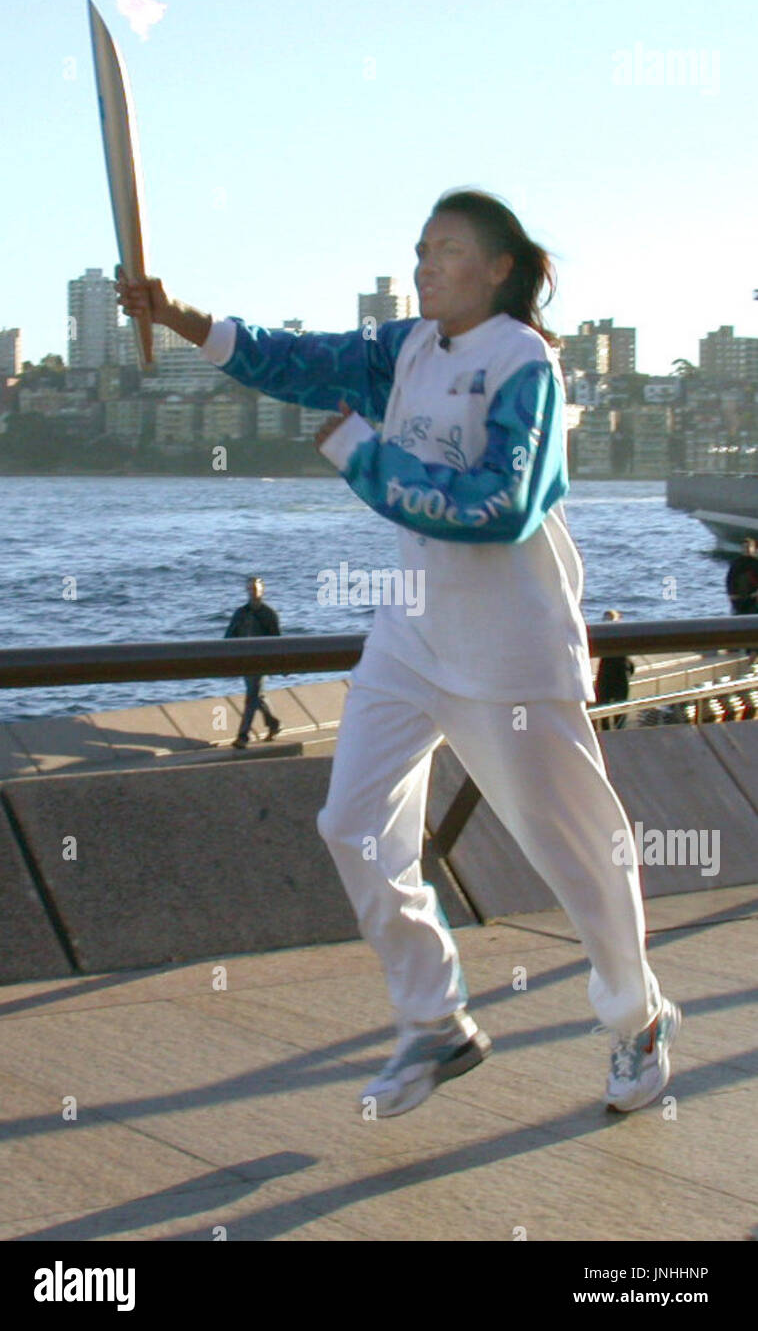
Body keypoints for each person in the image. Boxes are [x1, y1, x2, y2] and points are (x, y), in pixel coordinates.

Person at [115, 188, 680, 1118]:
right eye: (418, 248)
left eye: (445, 250)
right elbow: (294, 361)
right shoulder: (404, 347)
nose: (423, 264)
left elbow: (503, 507)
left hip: (511, 656)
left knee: (576, 854)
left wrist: (364, 459)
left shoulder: (525, 364)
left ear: (498, 268)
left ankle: (636, 1017)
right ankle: (435, 1020)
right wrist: (179, 318)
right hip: (412, 633)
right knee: (354, 822)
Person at [224, 576, 281, 747]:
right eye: (250, 589)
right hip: (246, 662)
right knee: (257, 696)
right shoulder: (240, 613)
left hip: (262, 662)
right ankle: (274, 724)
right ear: (247, 591)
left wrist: (279, 663)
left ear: (262, 590)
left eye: (256, 588)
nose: (253, 592)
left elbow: (277, 641)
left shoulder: (269, 614)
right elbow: (228, 637)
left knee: (251, 698)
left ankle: (243, 736)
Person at [595, 609, 635, 730]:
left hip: (607, 674)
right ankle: (617, 731)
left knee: (604, 707)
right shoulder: (623, 636)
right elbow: (629, 663)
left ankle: (607, 732)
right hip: (620, 673)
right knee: (620, 708)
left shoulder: (602, 636)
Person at [726, 536, 758, 616]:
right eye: (744, 547)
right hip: (739, 600)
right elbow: (730, 579)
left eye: (749, 547)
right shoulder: (736, 563)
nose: (746, 549)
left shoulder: (756, 563)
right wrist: (732, 594)